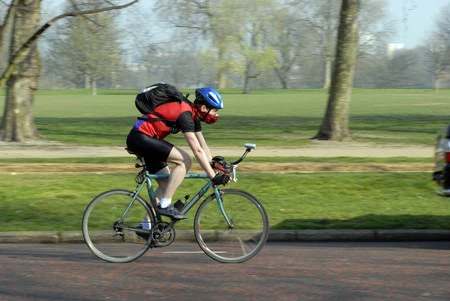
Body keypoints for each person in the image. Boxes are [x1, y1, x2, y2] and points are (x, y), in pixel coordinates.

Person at [126, 86, 230, 225]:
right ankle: (165, 205)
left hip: (147, 140)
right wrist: (213, 176)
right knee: (185, 160)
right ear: (204, 108)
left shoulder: (194, 116)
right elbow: (196, 150)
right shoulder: (185, 114)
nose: (216, 115)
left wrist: (213, 166)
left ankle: (146, 226)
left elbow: (203, 146)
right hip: (141, 138)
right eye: (215, 111)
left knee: (166, 185)